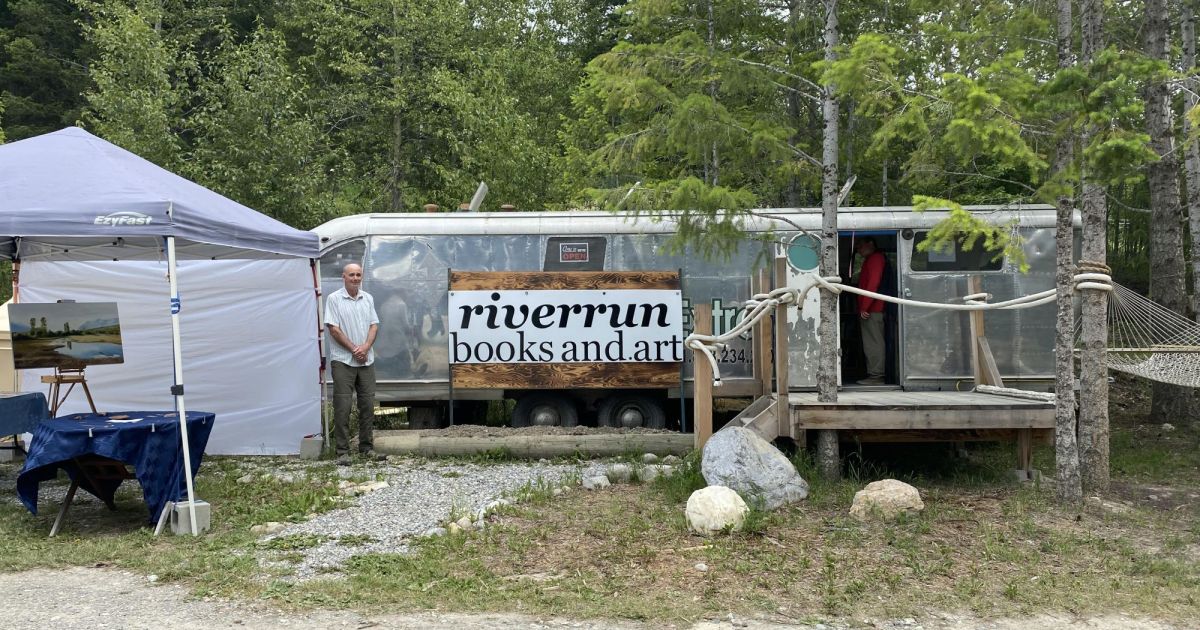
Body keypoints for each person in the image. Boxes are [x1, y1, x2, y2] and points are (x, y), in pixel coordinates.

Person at [325, 263, 381, 465]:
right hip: (343, 360)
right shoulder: (334, 299)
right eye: (351, 275)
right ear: (344, 277)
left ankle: (367, 448)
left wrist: (365, 347)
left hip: (366, 360)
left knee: (367, 405)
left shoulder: (368, 298)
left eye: (358, 275)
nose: (355, 278)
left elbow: (374, 325)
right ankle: (342, 452)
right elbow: (334, 329)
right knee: (343, 406)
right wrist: (354, 349)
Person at [855, 237, 887, 385]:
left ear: (870, 244)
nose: (859, 250)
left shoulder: (875, 259)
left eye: (861, 245)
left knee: (873, 342)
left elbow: (873, 283)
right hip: (872, 308)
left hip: (873, 309)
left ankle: (876, 375)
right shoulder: (873, 259)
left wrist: (865, 306)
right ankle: (875, 373)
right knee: (872, 341)